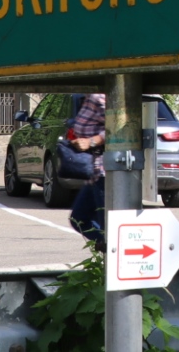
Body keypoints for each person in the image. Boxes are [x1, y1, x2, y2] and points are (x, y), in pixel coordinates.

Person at [67, 93, 107, 247]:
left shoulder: (99, 98)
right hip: (93, 173)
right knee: (79, 219)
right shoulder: (87, 97)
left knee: (107, 227)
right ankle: (107, 245)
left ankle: (112, 249)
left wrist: (91, 141)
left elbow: (119, 127)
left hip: (104, 172)